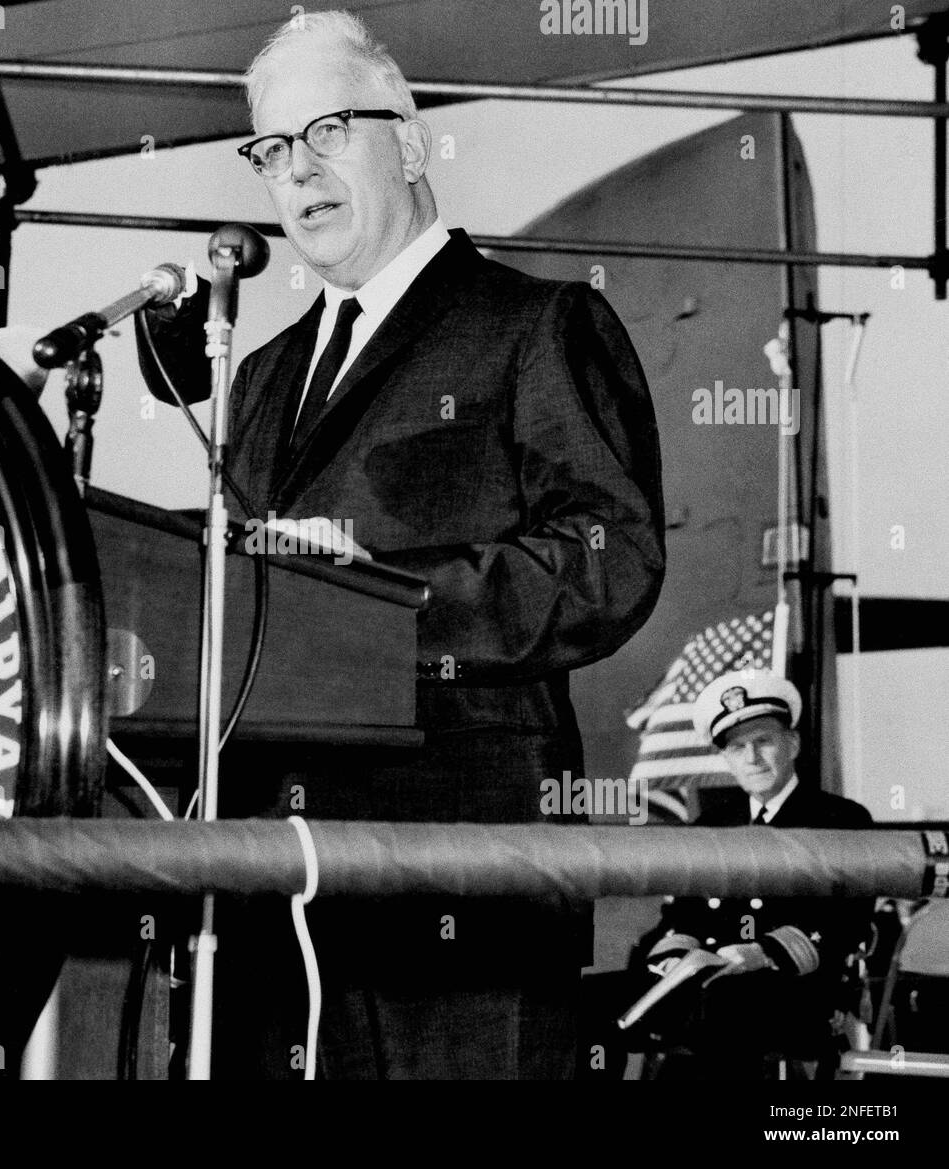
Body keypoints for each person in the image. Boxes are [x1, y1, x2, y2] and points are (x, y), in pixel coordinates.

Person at [132, 10, 666, 1078]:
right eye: (273, 150)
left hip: (460, 874)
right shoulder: (262, 372)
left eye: (327, 131)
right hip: (270, 875)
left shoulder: (536, 324)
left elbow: (609, 560)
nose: (296, 172)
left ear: (412, 144)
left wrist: (378, 607)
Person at [629, 669, 873, 1078]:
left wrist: (762, 953)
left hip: (795, 987)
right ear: (726, 759)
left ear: (791, 744)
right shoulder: (710, 827)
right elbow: (682, 916)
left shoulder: (840, 819)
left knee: (724, 1005)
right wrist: (674, 958)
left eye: (763, 742)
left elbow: (848, 922)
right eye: (738, 748)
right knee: (593, 999)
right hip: (708, 981)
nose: (752, 758)